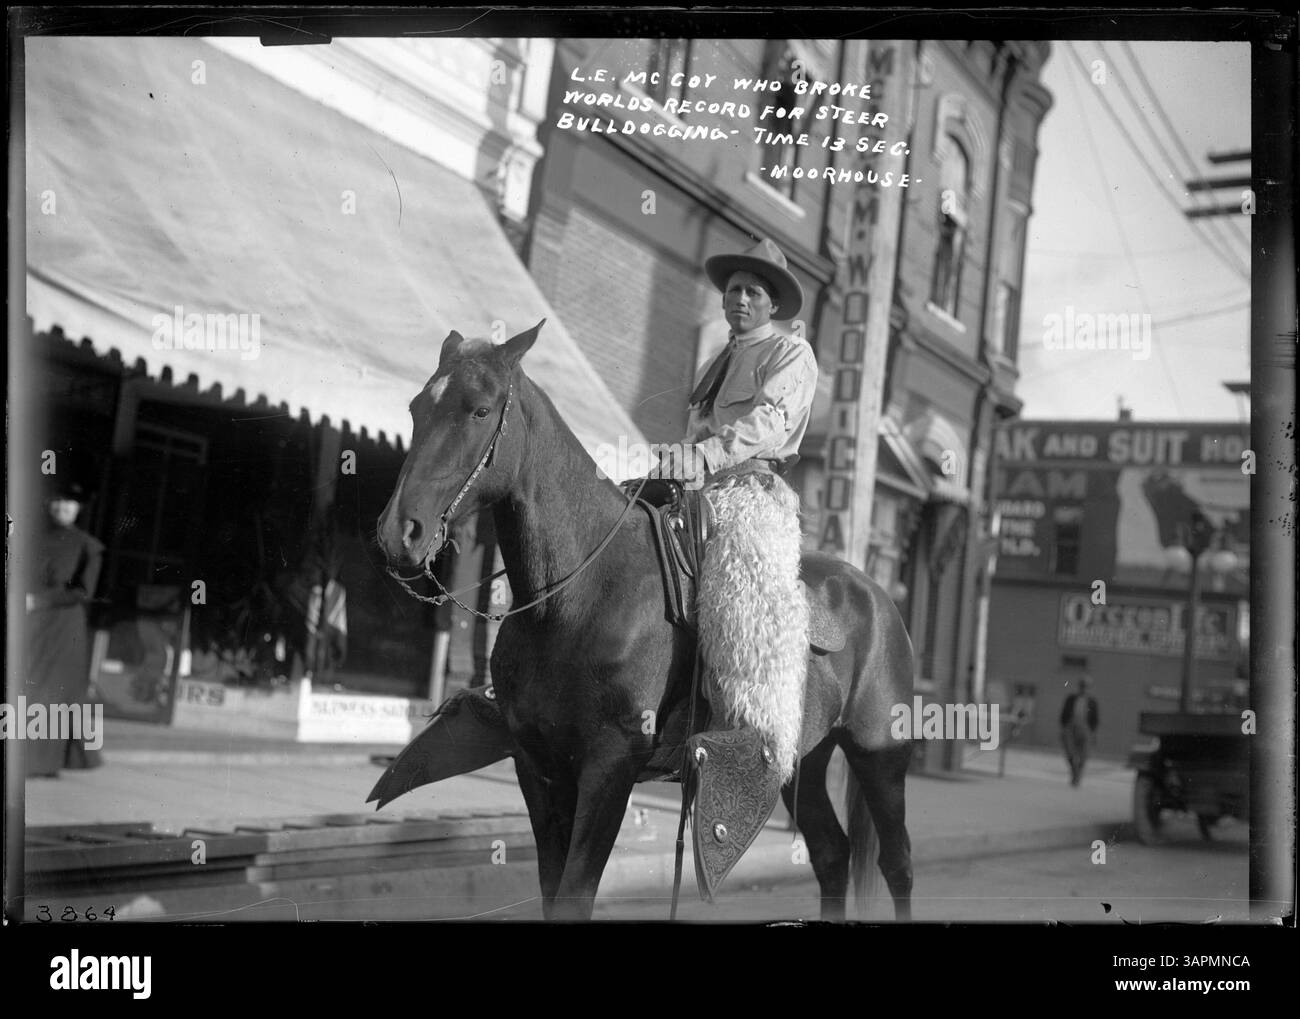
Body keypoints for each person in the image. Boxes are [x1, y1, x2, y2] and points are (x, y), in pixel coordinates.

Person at [655, 237, 818, 783]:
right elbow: (696, 430)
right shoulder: (717, 361)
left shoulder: (790, 353)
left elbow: (771, 420)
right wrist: (678, 460)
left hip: (753, 492)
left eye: (751, 291)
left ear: (772, 305)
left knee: (737, 596)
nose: (739, 299)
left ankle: (754, 734)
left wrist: (703, 455)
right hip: (703, 489)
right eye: (732, 290)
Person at [24, 481, 105, 777]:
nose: (62, 507)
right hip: (32, 621)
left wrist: (39, 600)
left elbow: (83, 591)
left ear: (79, 509)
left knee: (52, 692)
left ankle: (43, 763)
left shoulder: (88, 546)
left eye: (70, 503)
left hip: (63, 626)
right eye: (58, 501)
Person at [1059, 675, 1099, 787]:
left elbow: (1095, 719)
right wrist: (1064, 728)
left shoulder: (1092, 702)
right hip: (1070, 727)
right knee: (1070, 753)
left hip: (1085, 728)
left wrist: (1092, 733)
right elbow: (1063, 714)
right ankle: (1074, 772)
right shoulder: (1071, 699)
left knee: (1084, 755)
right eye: (1082, 686)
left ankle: (1078, 776)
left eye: (1086, 686)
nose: (1084, 688)